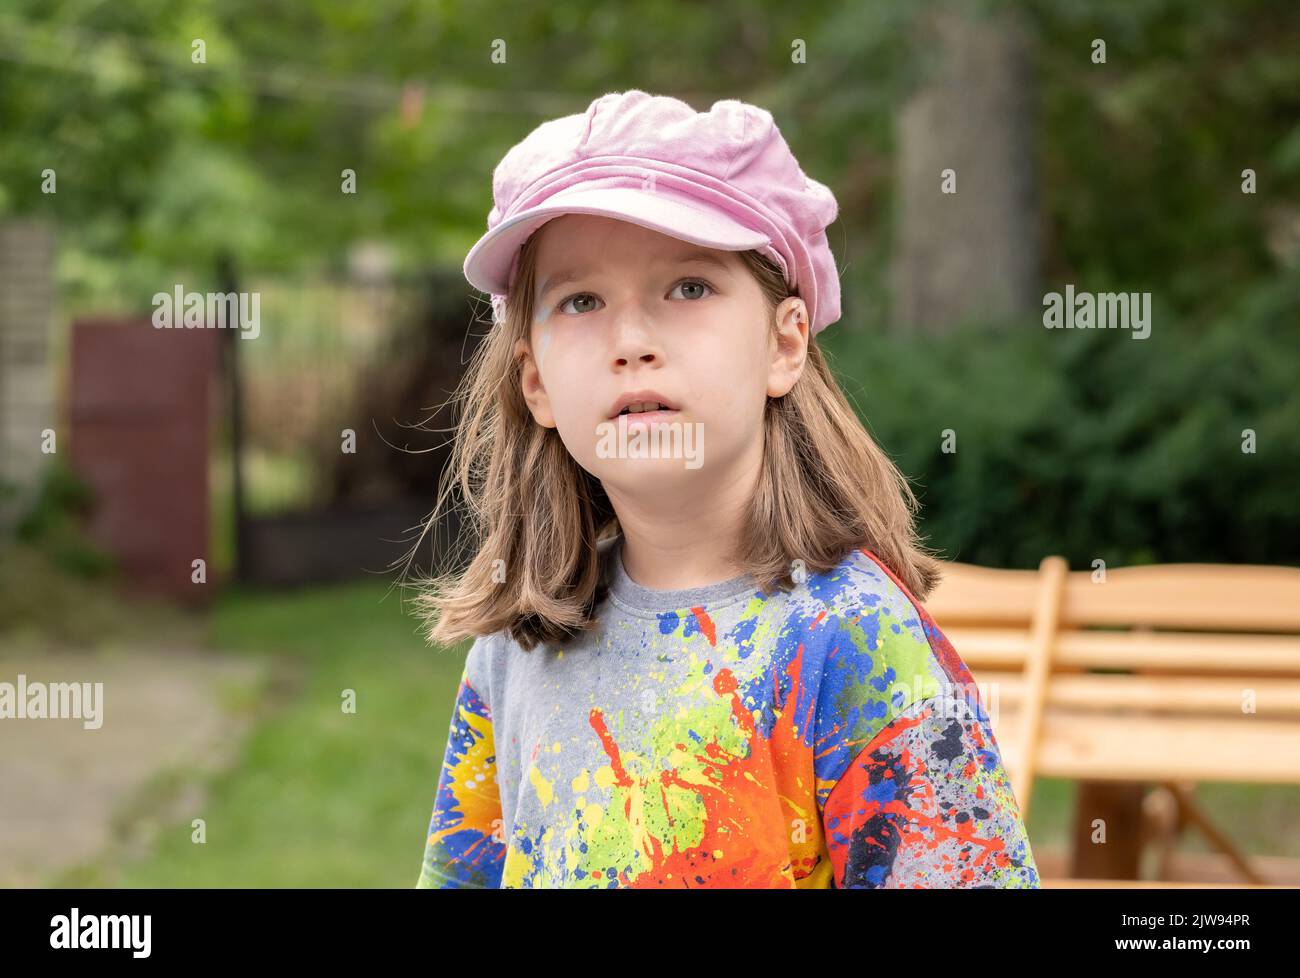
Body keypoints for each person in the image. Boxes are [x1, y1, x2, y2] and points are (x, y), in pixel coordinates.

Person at [408, 89, 1039, 888]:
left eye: (689, 288)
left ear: (784, 345)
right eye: (580, 301)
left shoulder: (854, 641)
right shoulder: (516, 647)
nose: (631, 341)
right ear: (534, 380)